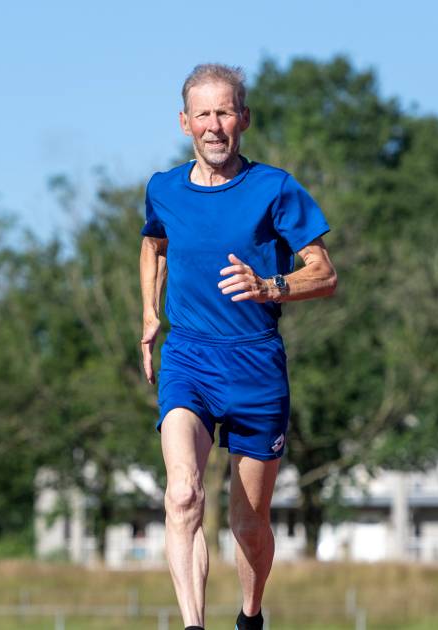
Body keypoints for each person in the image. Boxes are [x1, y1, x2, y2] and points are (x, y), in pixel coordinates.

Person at [138, 63, 338, 630]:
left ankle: (250, 617)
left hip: (255, 363)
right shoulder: (163, 189)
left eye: (225, 111)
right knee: (183, 497)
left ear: (243, 118)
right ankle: (193, 626)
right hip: (190, 357)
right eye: (203, 113)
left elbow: (324, 274)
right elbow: (154, 246)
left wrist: (269, 285)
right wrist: (151, 315)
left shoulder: (274, 188)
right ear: (184, 122)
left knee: (248, 523)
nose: (214, 125)